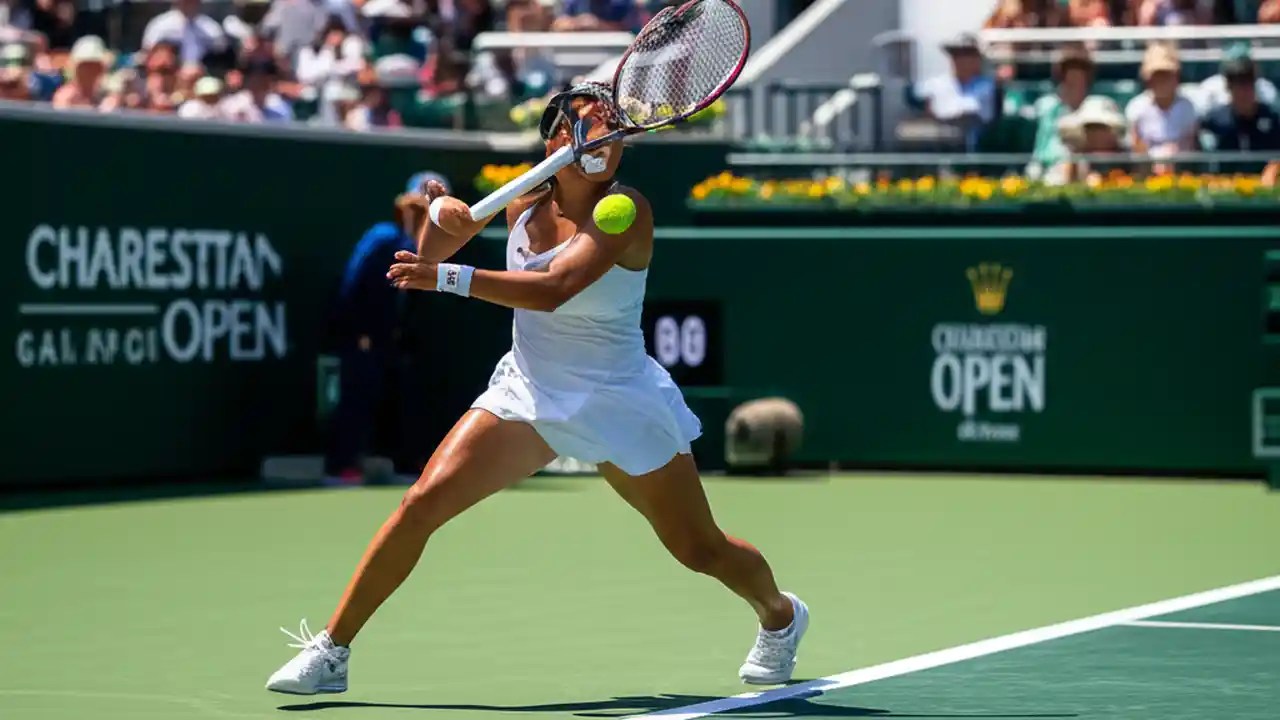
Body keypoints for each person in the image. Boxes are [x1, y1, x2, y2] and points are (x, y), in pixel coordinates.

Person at [265, 82, 809, 695]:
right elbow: (437, 247)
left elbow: (553, 289)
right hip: (529, 389)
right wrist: (445, 221)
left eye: (615, 127)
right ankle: (332, 650)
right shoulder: (525, 195)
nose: (606, 135)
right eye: (589, 124)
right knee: (421, 504)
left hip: (617, 396)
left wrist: (447, 272)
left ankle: (779, 615)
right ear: (556, 140)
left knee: (699, 549)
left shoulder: (623, 209)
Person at [322, 174, 434, 485]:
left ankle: (403, 464)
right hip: (362, 338)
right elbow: (353, 282)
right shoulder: (384, 236)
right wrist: (359, 331)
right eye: (416, 208)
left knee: (401, 398)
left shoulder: (420, 245)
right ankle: (339, 467)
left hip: (391, 341)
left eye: (425, 210)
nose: (420, 214)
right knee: (356, 398)